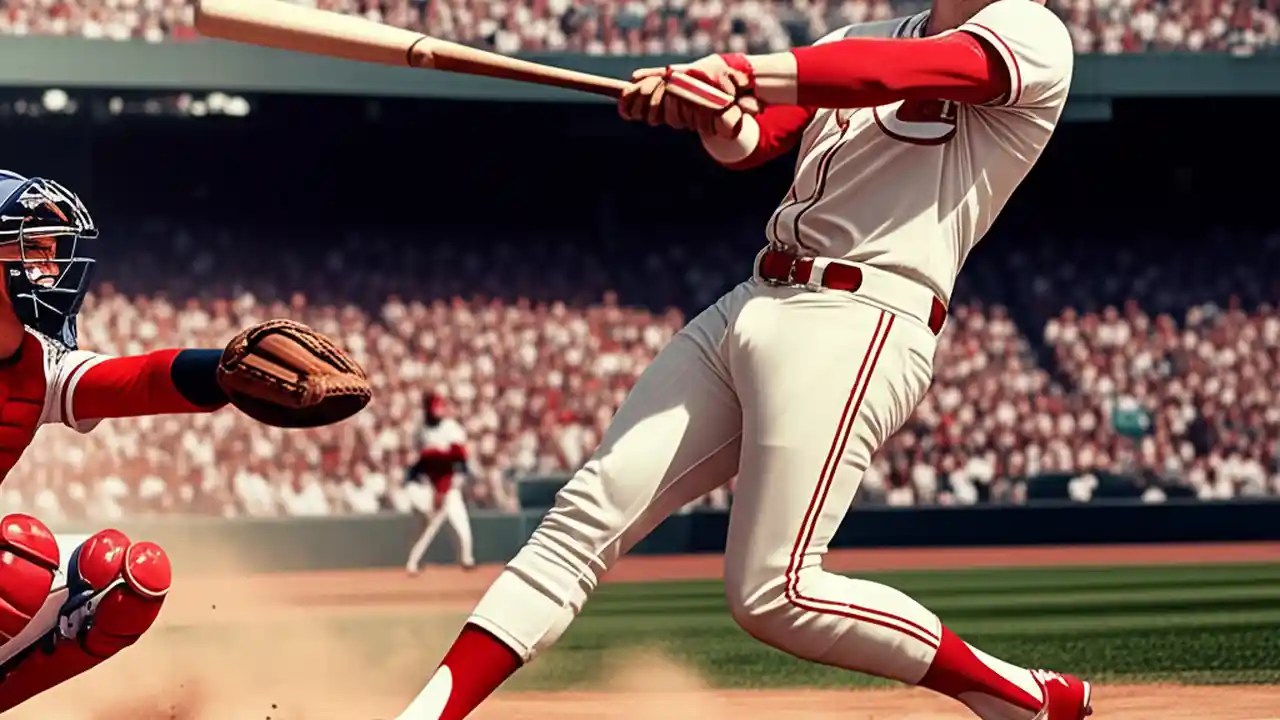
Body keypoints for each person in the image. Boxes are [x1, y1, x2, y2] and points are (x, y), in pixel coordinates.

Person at [392, 0, 1091, 718]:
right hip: (758, 293)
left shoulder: (1031, 32)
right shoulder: (856, 35)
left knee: (775, 593)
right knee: (583, 517)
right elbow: (752, 141)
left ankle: (1020, 697)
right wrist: (710, 111)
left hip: (860, 316)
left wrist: (740, 70)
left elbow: (898, 72)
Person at [0, 170, 364, 711]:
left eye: (54, 251)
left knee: (122, 578)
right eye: (32, 250)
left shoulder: (37, 365)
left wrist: (223, 371)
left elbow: (141, 379)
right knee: (21, 561)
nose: (51, 268)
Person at [404, 392, 477, 574]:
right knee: (429, 528)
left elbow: (461, 459)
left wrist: (452, 484)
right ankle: (412, 563)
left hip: (450, 484)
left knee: (461, 527)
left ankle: (466, 559)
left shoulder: (451, 427)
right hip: (432, 486)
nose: (436, 412)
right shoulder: (421, 430)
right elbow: (420, 461)